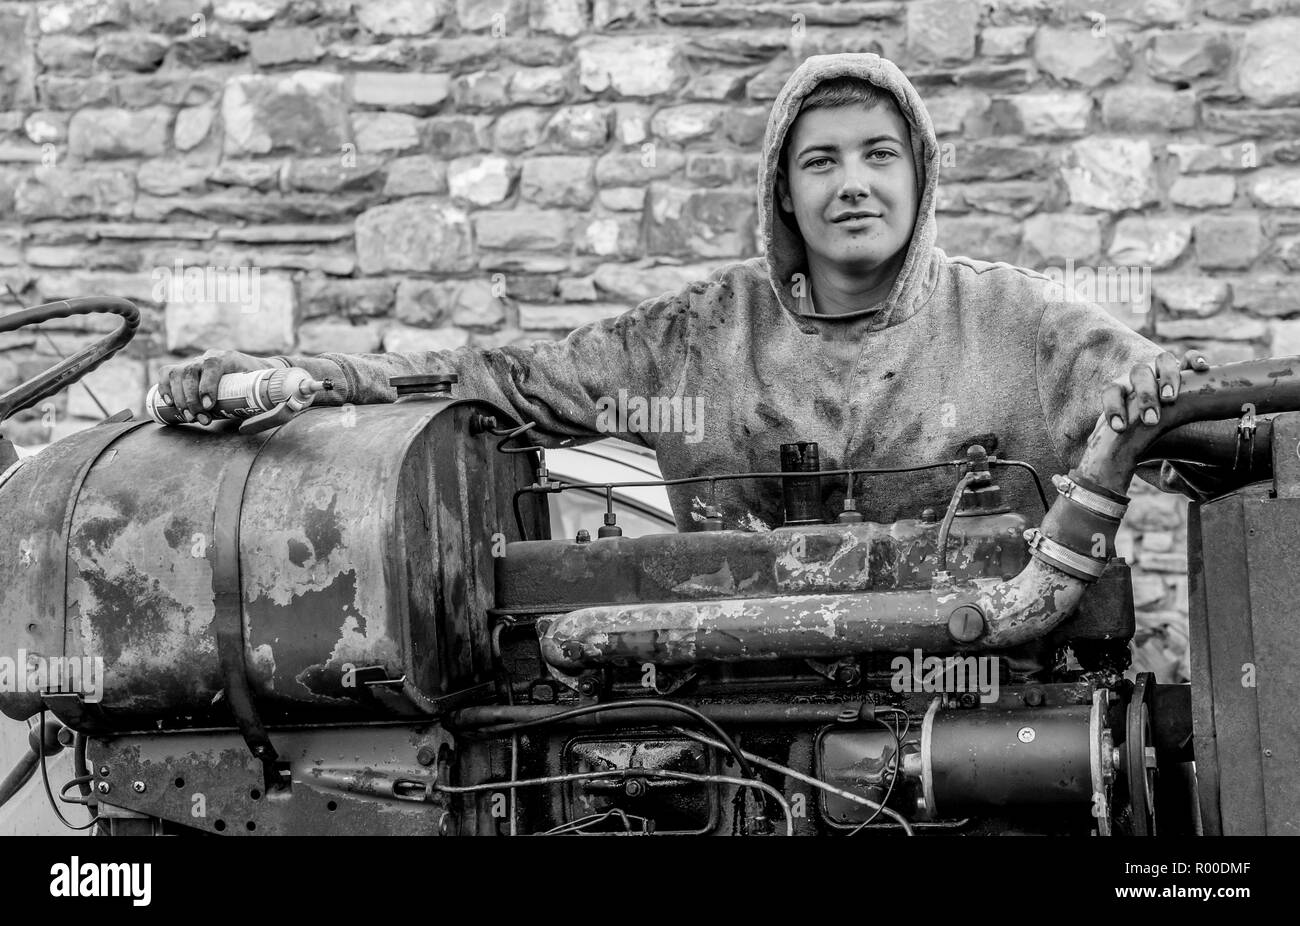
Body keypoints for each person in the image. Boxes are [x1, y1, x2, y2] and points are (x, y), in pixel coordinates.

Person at [157, 53, 1210, 532]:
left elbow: (1189, 409)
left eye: (880, 156)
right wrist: (306, 375)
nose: (853, 183)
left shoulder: (1019, 322)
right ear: (782, 196)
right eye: (821, 162)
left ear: (919, 177)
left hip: (993, 701)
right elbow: (504, 378)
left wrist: (1175, 397)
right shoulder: (700, 336)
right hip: (731, 713)